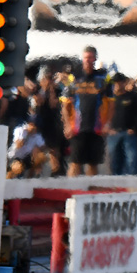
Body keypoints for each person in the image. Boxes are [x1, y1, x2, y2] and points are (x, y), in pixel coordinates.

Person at [60, 46, 111, 176]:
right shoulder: (74, 78)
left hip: (96, 128)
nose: (88, 61)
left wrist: (107, 123)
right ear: (82, 59)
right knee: (75, 162)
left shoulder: (103, 78)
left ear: (95, 59)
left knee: (93, 163)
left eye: (91, 58)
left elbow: (111, 104)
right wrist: (66, 126)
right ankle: (70, 190)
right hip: (77, 128)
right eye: (86, 58)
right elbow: (65, 105)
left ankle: (91, 192)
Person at [105, 73, 137, 175]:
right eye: (115, 83)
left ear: (124, 83)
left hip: (128, 133)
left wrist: (134, 128)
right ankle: (115, 185)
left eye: (120, 82)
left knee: (131, 161)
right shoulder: (109, 98)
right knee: (113, 161)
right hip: (113, 133)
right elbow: (103, 114)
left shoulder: (132, 96)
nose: (117, 85)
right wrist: (107, 128)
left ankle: (132, 185)